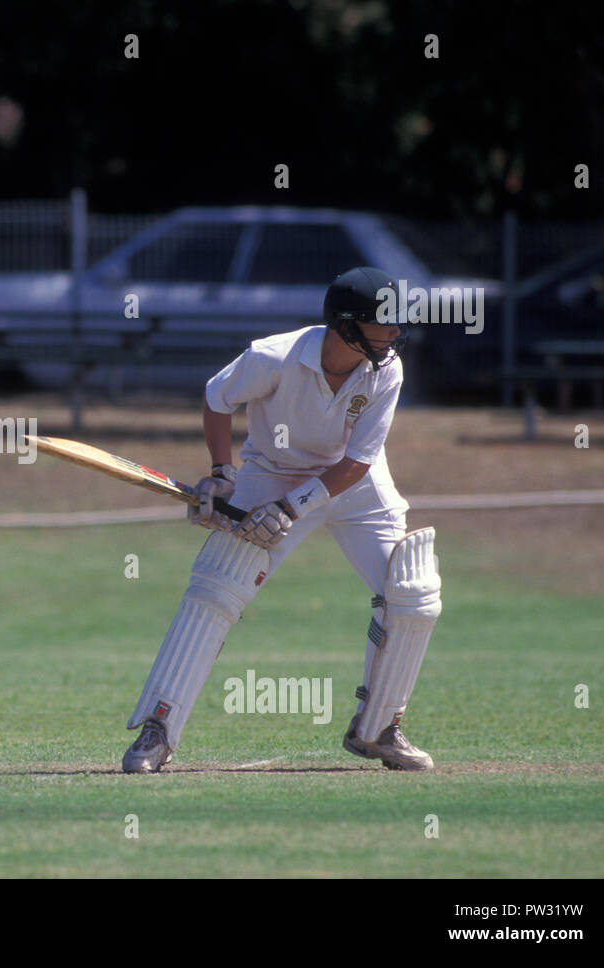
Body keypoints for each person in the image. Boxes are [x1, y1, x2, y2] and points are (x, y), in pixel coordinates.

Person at [122, 267, 442, 773]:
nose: (396, 333)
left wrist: (291, 508)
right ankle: (158, 728)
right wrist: (222, 476)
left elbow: (357, 462)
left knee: (413, 590)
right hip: (272, 470)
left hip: (354, 482)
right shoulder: (274, 356)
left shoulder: (386, 369)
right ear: (348, 326)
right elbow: (215, 397)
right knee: (216, 589)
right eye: (386, 323)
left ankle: (379, 729)